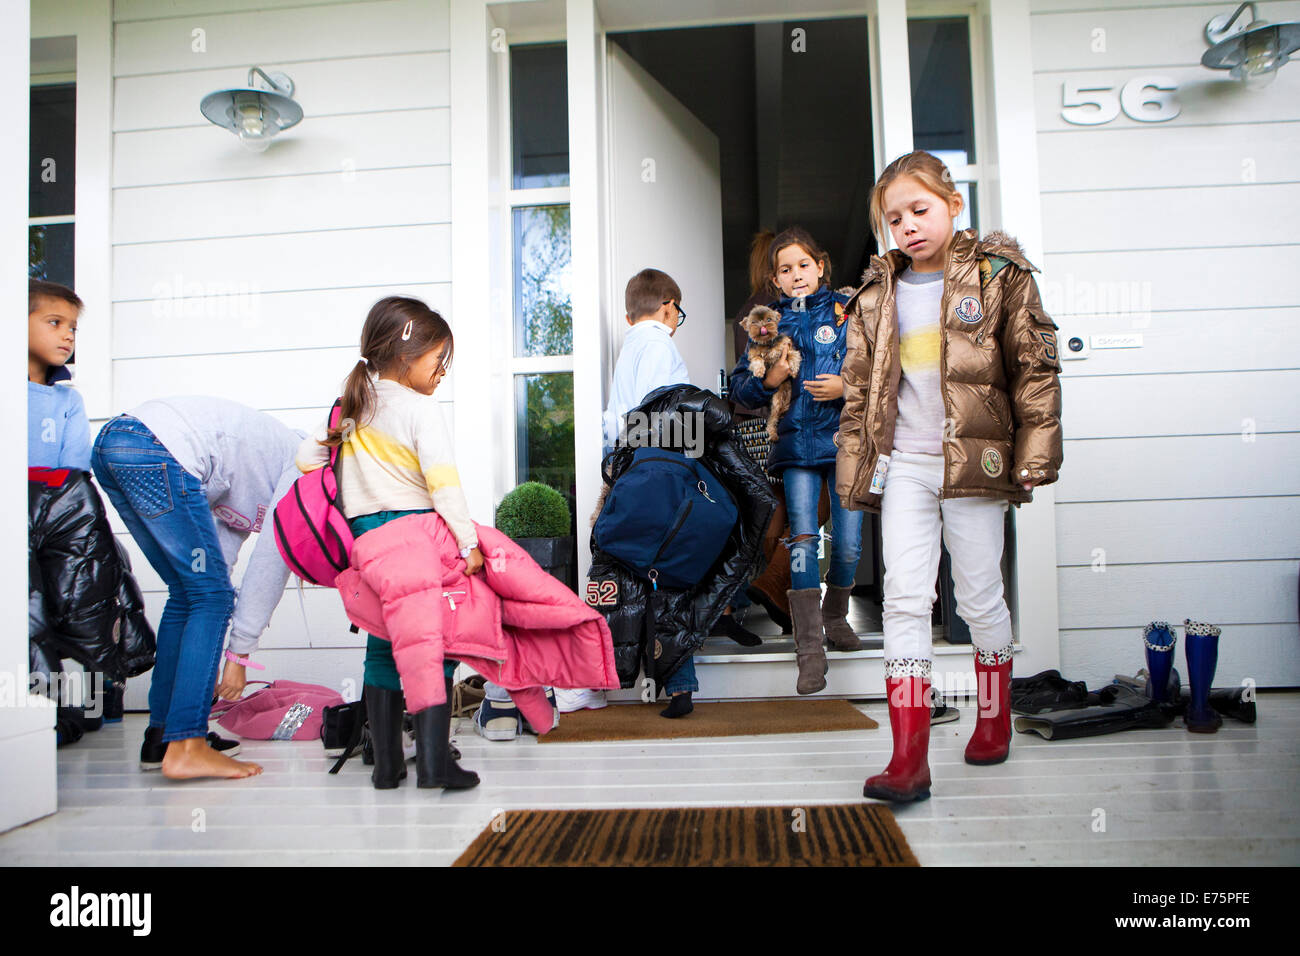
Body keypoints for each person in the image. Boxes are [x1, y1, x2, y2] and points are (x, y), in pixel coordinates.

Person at [836, 150, 1063, 802]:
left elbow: (1034, 368)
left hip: (974, 463)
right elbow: (858, 393)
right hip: (904, 464)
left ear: (953, 205)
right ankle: (909, 756)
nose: (907, 226)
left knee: (979, 596)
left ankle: (995, 716)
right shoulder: (877, 294)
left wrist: (1036, 452)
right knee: (906, 598)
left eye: (920, 210)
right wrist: (856, 466)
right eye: (894, 218)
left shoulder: (1000, 277)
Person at [298, 295, 482, 790]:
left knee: (383, 646)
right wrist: (468, 544)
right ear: (406, 355)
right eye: (437, 359)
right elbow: (443, 484)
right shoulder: (420, 408)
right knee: (434, 644)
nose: (443, 370)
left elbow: (305, 456)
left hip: (368, 543)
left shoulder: (356, 406)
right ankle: (434, 762)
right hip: (418, 540)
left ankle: (386, 766)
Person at [90, 396, 304, 779]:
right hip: (154, 445)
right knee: (211, 598)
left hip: (116, 445)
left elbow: (217, 558)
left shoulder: (253, 471)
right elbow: (269, 566)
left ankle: (162, 736)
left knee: (191, 593)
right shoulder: (303, 467)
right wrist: (237, 659)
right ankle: (189, 744)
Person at [729, 227, 864, 697]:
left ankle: (835, 616)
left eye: (803, 265)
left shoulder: (848, 311)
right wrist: (772, 378)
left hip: (844, 442)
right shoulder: (767, 324)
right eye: (786, 270)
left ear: (821, 266)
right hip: (796, 448)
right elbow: (739, 389)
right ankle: (810, 650)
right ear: (775, 279)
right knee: (803, 538)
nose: (796, 275)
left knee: (847, 544)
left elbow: (877, 371)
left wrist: (846, 388)